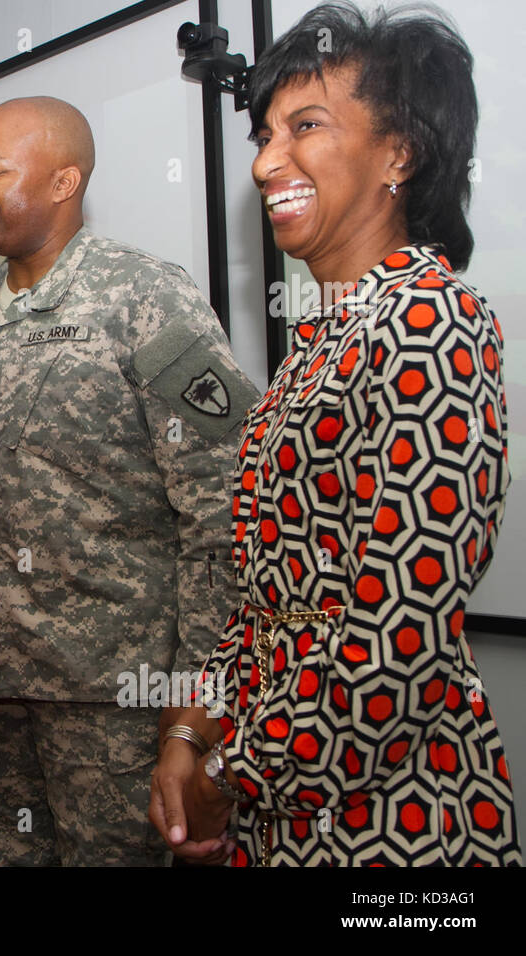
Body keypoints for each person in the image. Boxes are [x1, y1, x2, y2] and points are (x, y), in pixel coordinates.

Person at [150, 2, 520, 866]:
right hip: (284, 799)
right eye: (265, 135)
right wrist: (190, 726)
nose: (268, 161)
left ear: (400, 152)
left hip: (392, 819)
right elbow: (270, 606)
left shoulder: (431, 318)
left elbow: (401, 632)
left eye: (305, 126)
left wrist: (227, 775)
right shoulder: (322, 341)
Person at [0, 96, 257, 865]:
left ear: (64, 180)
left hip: (108, 703)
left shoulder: (146, 298)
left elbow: (225, 509)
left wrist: (193, 710)